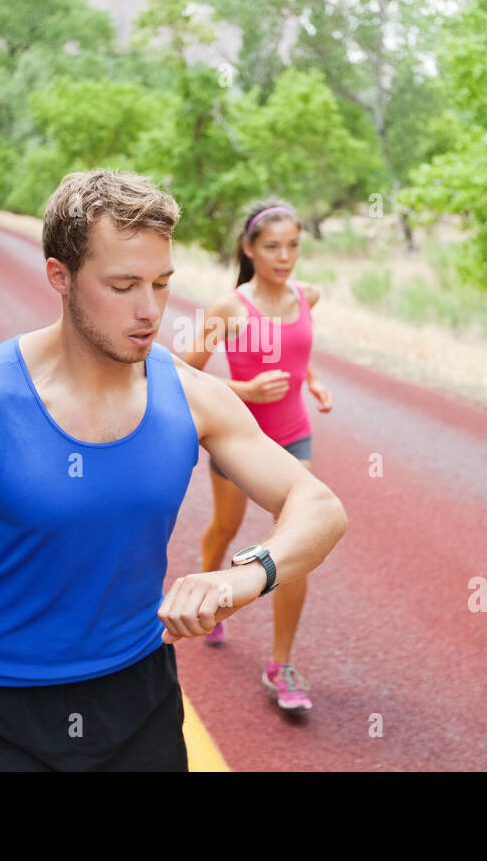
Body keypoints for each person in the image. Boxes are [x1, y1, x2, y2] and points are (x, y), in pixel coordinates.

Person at [0, 170, 346, 772]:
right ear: (60, 276)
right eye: (123, 285)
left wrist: (245, 577)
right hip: (6, 707)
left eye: (161, 283)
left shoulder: (189, 396)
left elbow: (319, 507)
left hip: (142, 690)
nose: (149, 310)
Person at [181, 200, 333, 713]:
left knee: (297, 540)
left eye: (293, 246)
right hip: (240, 442)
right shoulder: (230, 310)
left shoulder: (307, 296)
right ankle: (209, 593)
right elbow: (186, 375)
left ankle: (280, 664)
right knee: (226, 528)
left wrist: (312, 381)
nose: (285, 257)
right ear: (249, 249)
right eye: (272, 247)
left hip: (294, 437)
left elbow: (298, 349)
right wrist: (245, 390)